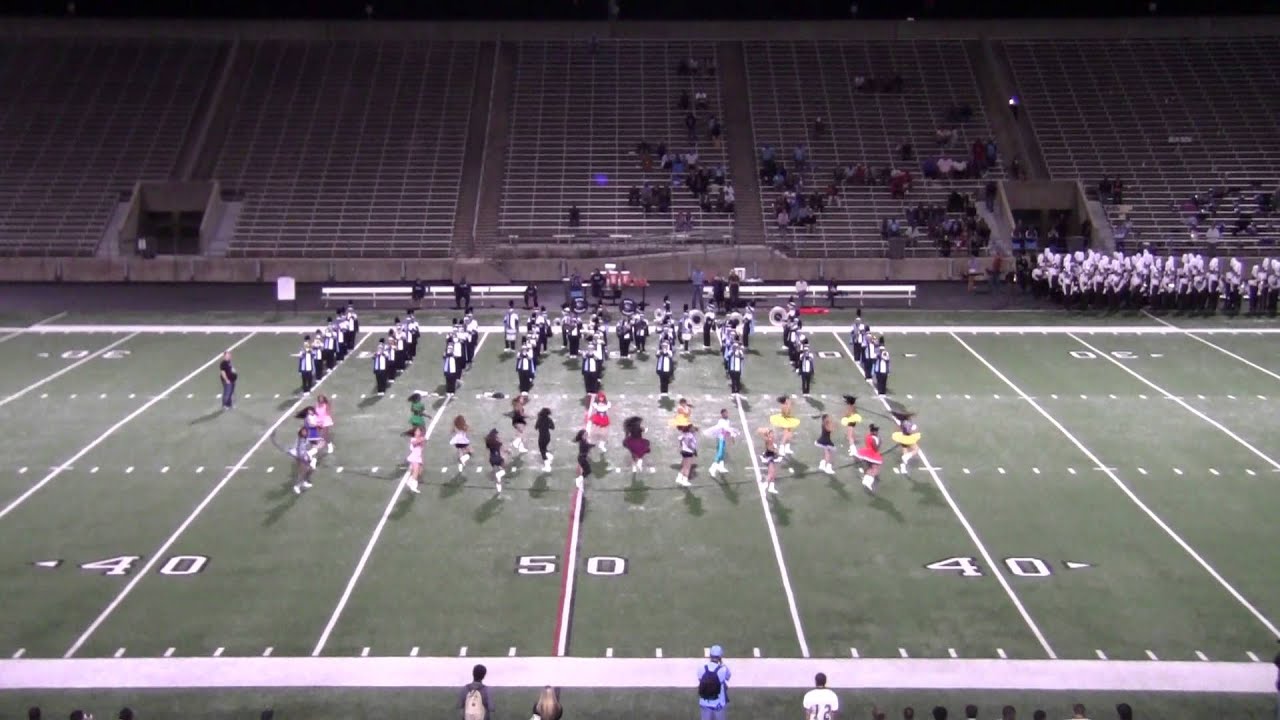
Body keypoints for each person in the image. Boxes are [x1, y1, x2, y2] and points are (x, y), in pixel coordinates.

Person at [697, 644, 731, 720]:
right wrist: (722, 663)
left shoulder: (702, 668)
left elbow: (700, 680)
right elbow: (728, 676)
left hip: (704, 703)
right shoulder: (723, 669)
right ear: (720, 657)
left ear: (710, 655)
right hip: (719, 704)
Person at [705, 408, 738, 478]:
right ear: (722, 414)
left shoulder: (727, 421)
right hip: (720, 438)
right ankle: (712, 468)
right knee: (720, 453)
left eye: (727, 413)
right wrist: (732, 435)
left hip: (723, 438)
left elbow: (727, 431)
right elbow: (726, 429)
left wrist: (730, 437)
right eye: (725, 413)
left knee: (722, 453)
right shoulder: (721, 421)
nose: (727, 414)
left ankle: (721, 466)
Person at [858, 423, 884, 491]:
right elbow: (876, 449)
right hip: (873, 455)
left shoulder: (867, 436)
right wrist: (880, 443)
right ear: (874, 431)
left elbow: (867, 445)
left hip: (866, 453)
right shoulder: (875, 439)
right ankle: (868, 482)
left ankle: (866, 478)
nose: (877, 432)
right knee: (875, 468)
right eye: (876, 431)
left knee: (869, 467)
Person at [291, 427, 314, 495]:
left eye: (306, 431)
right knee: (303, 472)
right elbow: (298, 451)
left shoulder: (305, 439)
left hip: (304, 456)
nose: (305, 433)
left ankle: (304, 481)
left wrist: (307, 455)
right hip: (299, 457)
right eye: (303, 432)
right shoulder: (299, 441)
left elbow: (305, 448)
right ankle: (297, 486)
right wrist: (302, 459)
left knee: (310, 470)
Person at [402, 426, 425, 494]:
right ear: (414, 432)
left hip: (418, 457)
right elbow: (415, 443)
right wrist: (421, 440)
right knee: (416, 471)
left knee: (420, 471)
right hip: (414, 457)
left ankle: (409, 481)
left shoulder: (420, 439)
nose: (419, 432)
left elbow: (421, 450)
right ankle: (413, 486)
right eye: (417, 431)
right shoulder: (413, 439)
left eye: (419, 431)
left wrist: (422, 459)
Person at [758, 427, 781, 494]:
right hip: (769, 457)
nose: (773, 434)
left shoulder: (771, 439)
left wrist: (775, 449)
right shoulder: (768, 440)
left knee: (773, 473)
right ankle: (764, 485)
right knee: (771, 473)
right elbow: (769, 449)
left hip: (772, 456)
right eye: (771, 433)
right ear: (768, 434)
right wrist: (775, 450)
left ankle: (771, 487)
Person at [485, 429, 508, 494]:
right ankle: (498, 475)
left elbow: (488, 451)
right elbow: (504, 450)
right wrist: (509, 451)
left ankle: (498, 487)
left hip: (492, 459)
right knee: (504, 469)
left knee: (495, 470)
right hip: (498, 458)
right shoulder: (498, 443)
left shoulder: (488, 442)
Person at [676, 423, 698, 487]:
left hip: (684, 451)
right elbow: (689, 444)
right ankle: (684, 480)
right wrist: (693, 450)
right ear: (690, 429)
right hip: (689, 452)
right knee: (688, 467)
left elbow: (680, 440)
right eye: (692, 428)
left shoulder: (684, 434)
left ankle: (679, 478)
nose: (693, 428)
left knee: (684, 466)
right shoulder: (690, 435)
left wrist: (682, 446)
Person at [535, 408, 555, 473]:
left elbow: (536, 427)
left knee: (542, 451)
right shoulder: (549, 419)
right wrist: (547, 426)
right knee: (544, 448)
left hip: (541, 437)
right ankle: (549, 456)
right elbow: (553, 427)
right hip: (548, 437)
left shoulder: (539, 419)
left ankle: (547, 466)